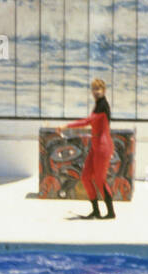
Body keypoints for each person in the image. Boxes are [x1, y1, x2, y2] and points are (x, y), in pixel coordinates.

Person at [56, 79, 115, 220]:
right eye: (94, 89)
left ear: (104, 90)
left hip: (103, 147)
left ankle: (110, 212)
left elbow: (88, 121)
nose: (96, 92)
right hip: (95, 146)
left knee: (100, 180)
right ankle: (95, 211)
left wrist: (67, 126)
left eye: (98, 89)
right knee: (86, 177)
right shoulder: (97, 105)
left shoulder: (103, 105)